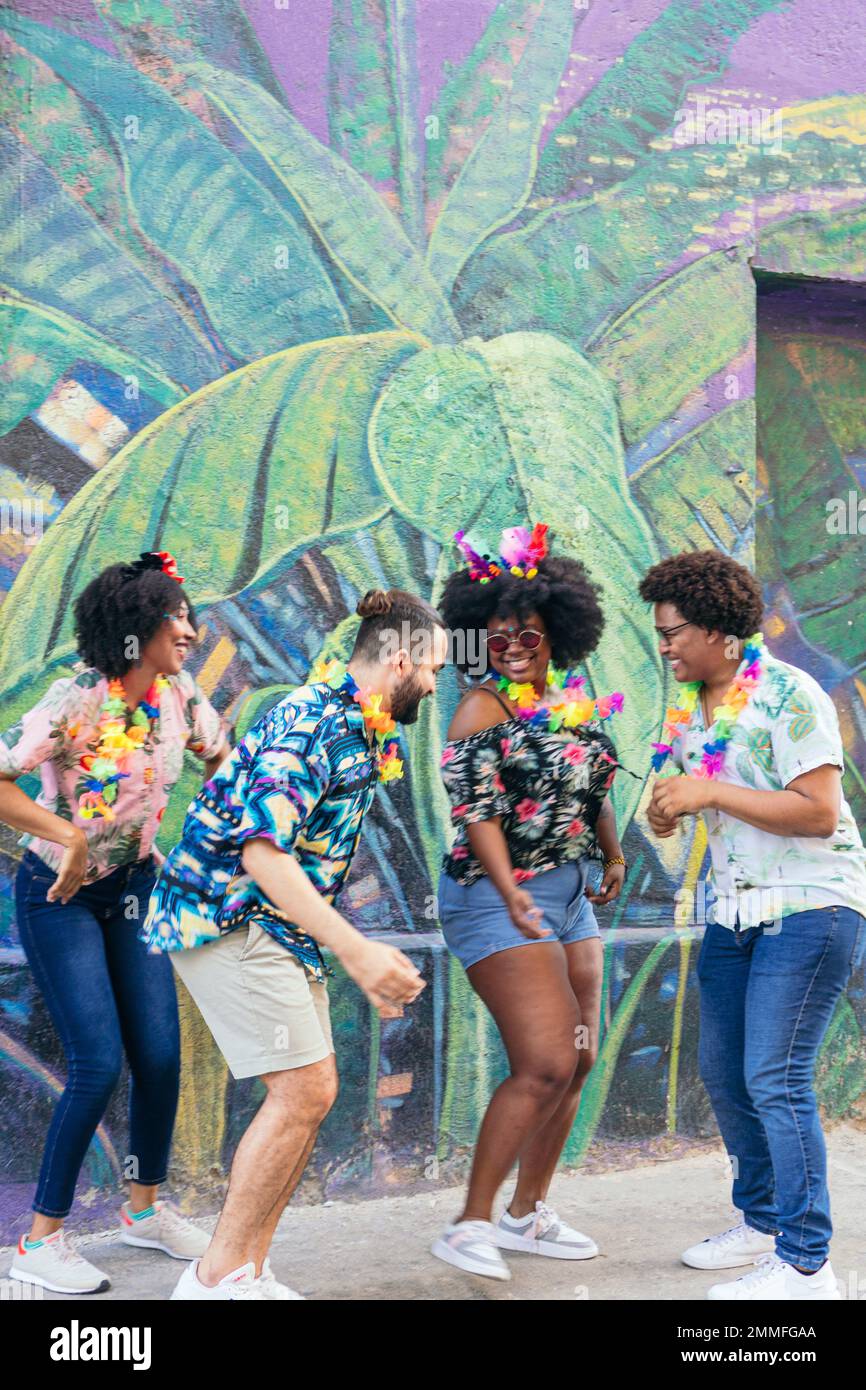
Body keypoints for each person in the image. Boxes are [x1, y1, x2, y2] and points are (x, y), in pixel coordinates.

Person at [141, 588, 447, 1300]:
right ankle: (215, 1279)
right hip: (228, 912)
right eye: (430, 668)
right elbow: (262, 853)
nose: (433, 682)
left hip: (279, 925)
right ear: (398, 659)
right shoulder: (310, 720)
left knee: (311, 1093)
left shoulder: (366, 727)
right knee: (304, 1090)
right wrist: (357, 950)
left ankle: (246, 1270)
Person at [1, 551, 230, 1295]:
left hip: (135, 888)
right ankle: (40, 1244)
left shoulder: (181, 701)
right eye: (178, 618)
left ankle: (143, 1212)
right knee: (99, 1062)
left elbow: (228, 766)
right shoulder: (75, 704)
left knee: (160, 1056)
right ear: (139, 628)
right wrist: (67, 835)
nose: (191, 631)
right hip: (59, 897)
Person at [640, 549, 866, 1301]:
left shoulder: (789, 695)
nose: (664, 645)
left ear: (718, 633)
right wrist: (668, 808)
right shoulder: (688, 708)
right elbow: (694, 799)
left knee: (777, 1077)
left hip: (811, 903)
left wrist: (708, 792)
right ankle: (764, 1223)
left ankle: (808, 1265)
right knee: (726, 1074)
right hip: (733, 909)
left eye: (673, 633)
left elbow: (818, 811)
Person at [430, 523, 627, 1281]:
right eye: (497, 634)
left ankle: (525, 1216)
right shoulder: (481, 710)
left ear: (558, 634)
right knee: (544, 1061)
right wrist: (511, 887)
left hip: (570, 895)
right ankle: (470, 1223)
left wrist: (610, 853)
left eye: (528, 634)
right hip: (494, 896)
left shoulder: (568, 702)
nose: (512, 645)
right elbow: (475, 811)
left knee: (576, 1064)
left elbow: (596, 785)